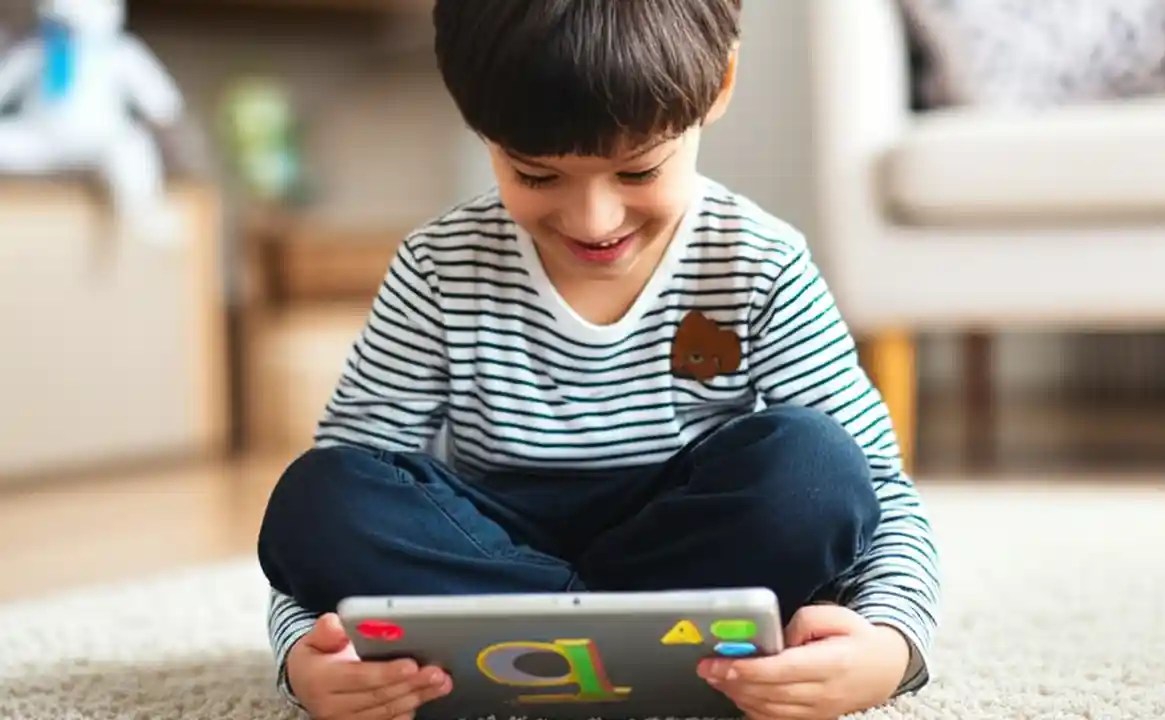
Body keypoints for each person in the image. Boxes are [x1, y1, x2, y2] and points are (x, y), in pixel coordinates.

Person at [256, 2, 940, 718]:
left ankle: (542, 633)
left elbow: (881, 495)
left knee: (818, 469)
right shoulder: (437, 266)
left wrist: (892, 645)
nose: (594, 220)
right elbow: (335, 509)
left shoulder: (760, 262)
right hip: (491, 537)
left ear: (720, 84)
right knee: (317, 497)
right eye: (538, 177)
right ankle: (612, 636)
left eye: (638, 171)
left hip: (685, 537)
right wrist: (303, 657)